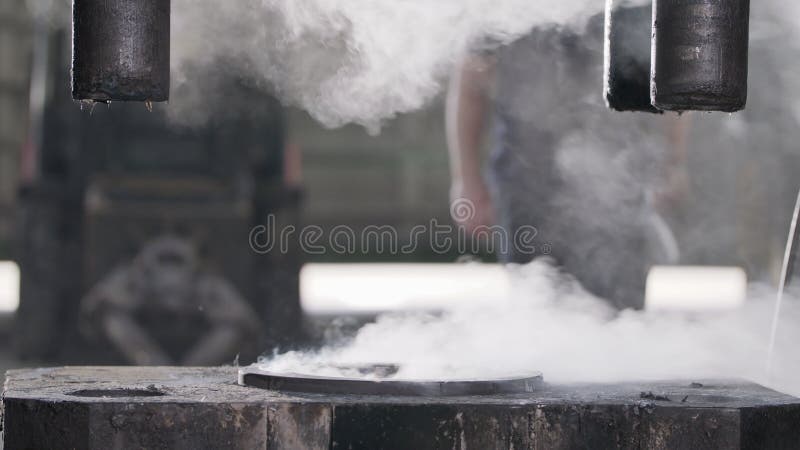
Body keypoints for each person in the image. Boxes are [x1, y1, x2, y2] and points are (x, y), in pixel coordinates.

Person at [446, 17, 686, 310]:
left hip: (617, 184)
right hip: (525, 183)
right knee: (536, 310)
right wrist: (467, 180)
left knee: (618, 315)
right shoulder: (500, 9)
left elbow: (671, 77)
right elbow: (470, 83)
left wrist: (673, 163)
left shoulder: (632, 7)